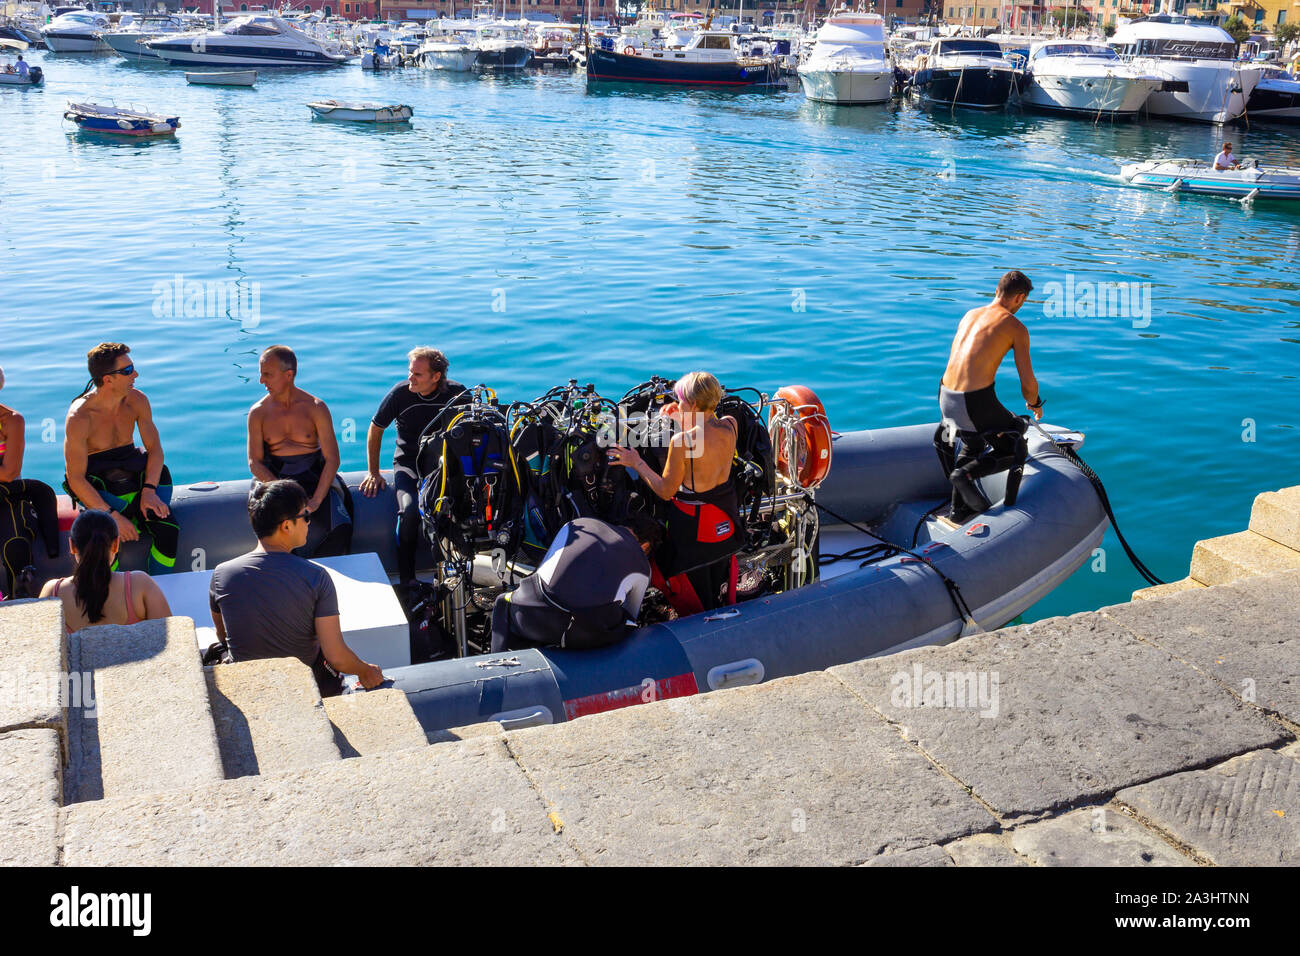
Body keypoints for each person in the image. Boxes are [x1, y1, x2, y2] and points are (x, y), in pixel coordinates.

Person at [208, 480, 384, 697]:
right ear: (287, 526)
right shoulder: (316, 577)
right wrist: (365, 670)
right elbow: (336, 656)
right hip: (302, 690)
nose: (309, 523)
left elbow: (223, 635)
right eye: (305, 517)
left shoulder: (221, 574)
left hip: (248, 691)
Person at [608, 371, 741, 611]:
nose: (677, 403)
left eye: (680, 399)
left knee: (661, 562)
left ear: (692, 403)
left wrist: (636, 462)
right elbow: (706, 428)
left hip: (694, 531)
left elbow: (665, 491)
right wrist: (682, 415)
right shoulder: (731, 424)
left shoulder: (681, 442)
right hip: (725, 523)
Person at [63, 343, 179, 572]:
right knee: (104, 541)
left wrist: (148, 490)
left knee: (168, 529)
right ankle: (109, 592)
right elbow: (75, 478)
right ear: (108, 380)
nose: (135, 374)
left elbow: (155, 449)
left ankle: (155, 589)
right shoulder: (80, 416)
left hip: (134, 474)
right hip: (101, 483)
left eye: (132, 368)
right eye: (127, 371)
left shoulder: (137, 400)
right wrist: (112, 515)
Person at [938, 270, 1042, 526]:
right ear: (1019, 298)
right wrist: (1035, 403)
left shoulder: (970, 314)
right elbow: (1028, 384)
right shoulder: (1015, 327)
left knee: (973, 444)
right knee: (1015, 438)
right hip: (973, 402)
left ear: (997, 291)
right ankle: (971, 482)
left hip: (944, 396)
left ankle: (958, 512)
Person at [360, 348, 467, 589]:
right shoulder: (400, 394)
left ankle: (454, 576)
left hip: (442, 466)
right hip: (408, 463)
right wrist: (373, 472)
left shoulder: (457, 393)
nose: (410, 378)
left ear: (436, 376)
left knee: (454, 511)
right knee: (409, 512)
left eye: (417, 374)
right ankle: (408, 580)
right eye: (410, 371)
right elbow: (375, 429)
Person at [490, 514, 663, 653]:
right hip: (587, 635)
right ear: (646, 546)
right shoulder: (642, 565)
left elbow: (546, 571)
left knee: (502, 601)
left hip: (533, 619)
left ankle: (497, 669)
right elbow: (631, 615)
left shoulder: (577, 524)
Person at [247, 345, 352, 558]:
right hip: (274, 479)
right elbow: (254, 463)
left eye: (267, 374)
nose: (261, 381)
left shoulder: (315, 407)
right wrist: (283, 492)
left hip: (312, 476)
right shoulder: (258, 413)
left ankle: (321, 577)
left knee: (342, 528)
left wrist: (315, 501)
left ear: (288, 375)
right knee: (275, 534)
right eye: (261, 374)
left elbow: (332, 459)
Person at [40, 510, 171, 634]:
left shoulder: (53, 593)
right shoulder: (140, 584)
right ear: (116, 545)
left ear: (72, 546)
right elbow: (172, 645)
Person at [0, 367, 60, 599]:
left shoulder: (11, 421)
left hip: (7, 494)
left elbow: (9, 472)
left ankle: (20, 602)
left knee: (15, 544)